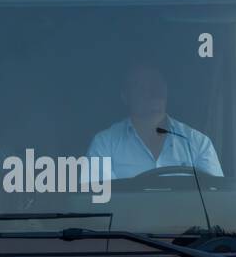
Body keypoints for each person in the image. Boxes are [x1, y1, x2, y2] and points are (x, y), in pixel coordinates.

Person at [86, 63, 222, 179]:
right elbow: (100, 204)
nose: (151, 91)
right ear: (125, 96)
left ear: (165, 90)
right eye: (140, 85)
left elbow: (216, 202)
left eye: (156, 83)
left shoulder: (199, 144)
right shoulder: (104, 145)